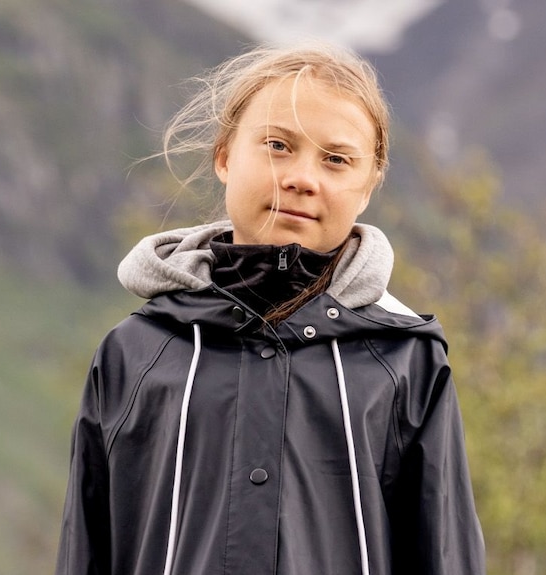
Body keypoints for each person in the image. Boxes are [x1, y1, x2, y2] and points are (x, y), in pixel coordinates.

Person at [55, 42, 485, 575]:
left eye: (336, 159)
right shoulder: (134, 355)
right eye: (278, 145)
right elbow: (88, 550)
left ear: (369, 185)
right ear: (224, 156)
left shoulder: (405, 361)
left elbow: (446, 557)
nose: (302, 177)